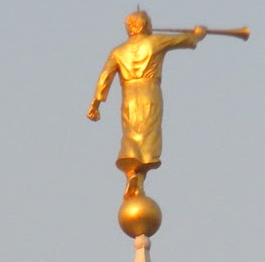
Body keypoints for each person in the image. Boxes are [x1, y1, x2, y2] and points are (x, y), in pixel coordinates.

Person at [87, 11, 207, 198]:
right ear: (145, 25)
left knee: (131, 134)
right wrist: (198, 34)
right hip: (149, 92)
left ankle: (132, 176)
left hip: (129, 96)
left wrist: (96, 104)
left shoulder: (118, 52)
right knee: (148, 136)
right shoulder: (154, 41)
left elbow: (105, 77)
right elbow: (185, 40)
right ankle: (139, 179)